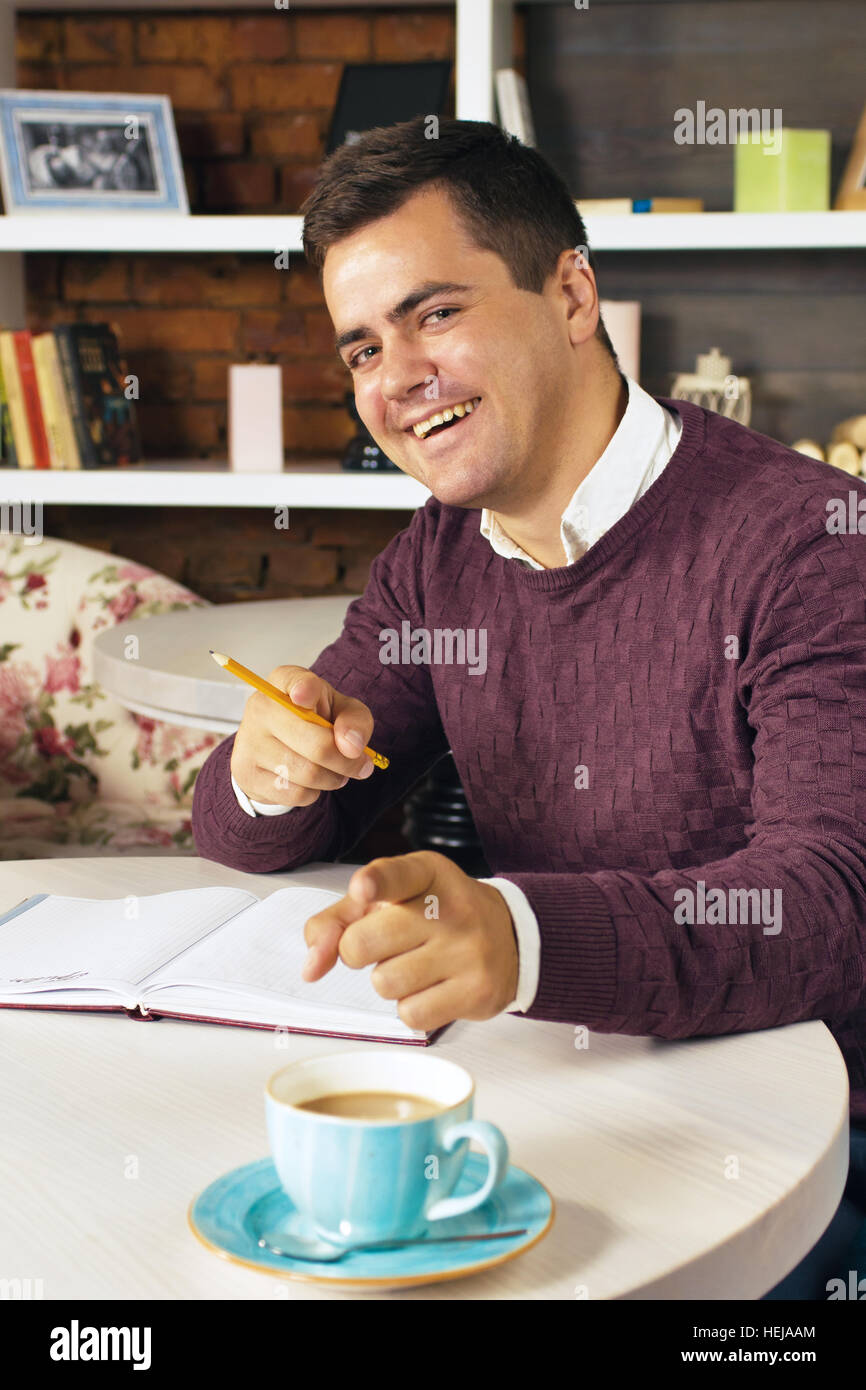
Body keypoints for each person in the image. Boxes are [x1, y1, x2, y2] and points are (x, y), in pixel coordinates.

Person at [191, 117, 866, 1297]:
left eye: (435, 314)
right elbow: (266, 832)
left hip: (808, 1139)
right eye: (359, 350)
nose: (396, 381)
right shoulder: (436, 558)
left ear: (569, 294)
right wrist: (270, 766)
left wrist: (524, 936)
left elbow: (827, 903)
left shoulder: (807, 543)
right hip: (550, 1092)